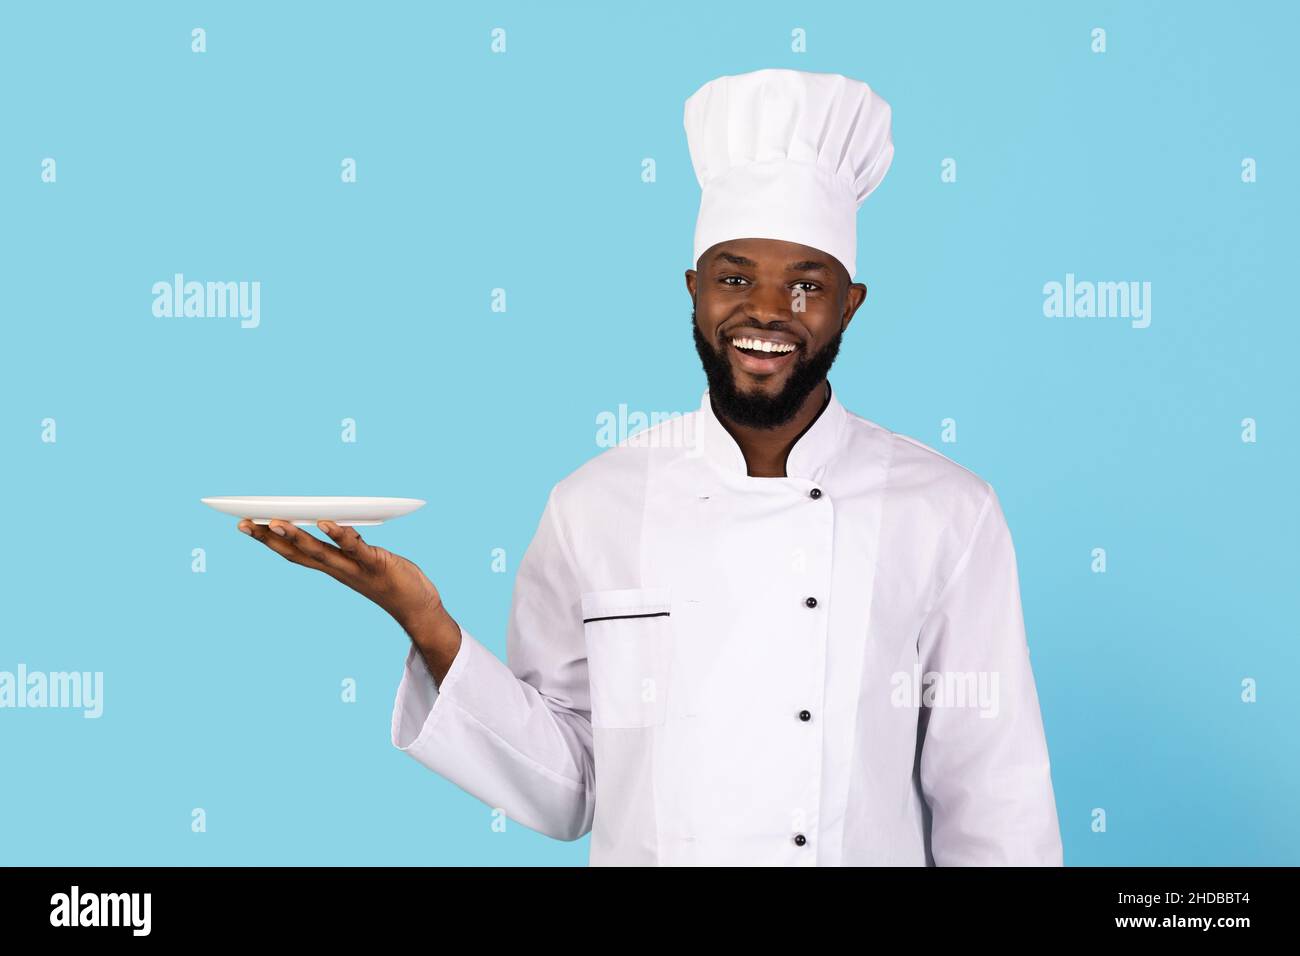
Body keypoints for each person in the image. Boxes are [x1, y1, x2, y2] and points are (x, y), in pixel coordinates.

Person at [237, 68, 1064, 866]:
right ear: (694, 291)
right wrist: (426, 623)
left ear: (850, 303)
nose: (768, 311)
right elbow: (568, 787)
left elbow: (994, 803)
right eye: (734, 277)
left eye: (806, 285)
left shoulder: (947, 512)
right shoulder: (594, 504)